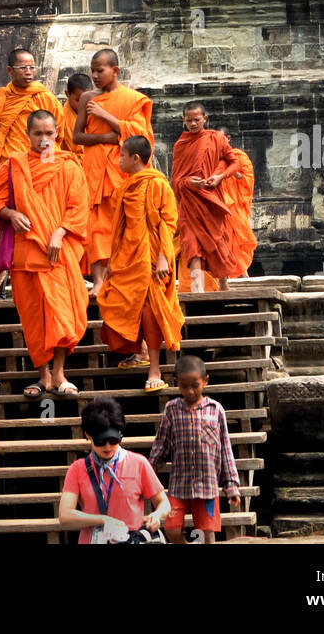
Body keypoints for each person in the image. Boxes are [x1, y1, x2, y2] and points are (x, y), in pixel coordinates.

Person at [0, 110, 88, 397]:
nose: (43, 140)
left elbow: (78, 209)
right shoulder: (13, 166)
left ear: (57, 134)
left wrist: (60, 232)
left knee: (61, 315)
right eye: (37, 134)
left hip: (58, 253)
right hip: (26, 255)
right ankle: (44, 376)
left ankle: (60, 373)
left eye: (49, 134)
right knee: (33, 317)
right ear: (27, 135)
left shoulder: (69, 166)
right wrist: (11, 213)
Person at [0, 48, 63, 296]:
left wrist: (47, 168)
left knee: (27, 220)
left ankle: (3, 272)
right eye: (23, 68)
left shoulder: (45, 98)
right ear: (10, 70)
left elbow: (55, 135)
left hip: (30, 171)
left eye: (32, 67)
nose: (29, 72)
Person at [98, 135, 184, 391]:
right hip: (128, 257)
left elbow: (167, 224)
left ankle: (155, 368)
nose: (119, 160)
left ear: (136, 158)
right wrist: (113, 260)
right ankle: (138, 350)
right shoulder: (125, 187)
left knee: (149, 308)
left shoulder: (157, 184)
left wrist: (161, 259)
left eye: (122, 155)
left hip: (152, 258)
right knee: (115, 300)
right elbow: (120, 229)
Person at [73, 48, 154, 296]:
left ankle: (123, 276)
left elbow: (142, 137)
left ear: (115, 70)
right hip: (95, 169)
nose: (95, 75)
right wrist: (105, 137)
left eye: (100, 70)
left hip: (122, 168)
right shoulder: (87, 98)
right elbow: (77, 136)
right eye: (93, 71)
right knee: (95, 225)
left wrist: (105, 115)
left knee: (126, 223)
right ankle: (98, 280)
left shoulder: (132, 99)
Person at [149, 354, 241, 545]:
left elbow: (225, 449)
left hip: (207, 485)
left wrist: (231, 485)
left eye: (195, 385)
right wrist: (148, 473)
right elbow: (161, 445)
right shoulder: (171, 409)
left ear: (205, 381)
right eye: (183, 386)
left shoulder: (216, 409)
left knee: (207, 532)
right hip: (178, 485)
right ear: (176, 383)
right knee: (172, 529)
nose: (189, 391)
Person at [59, 395, 170, 543]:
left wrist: (157, 515)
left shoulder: (138, 463)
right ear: (88, 435)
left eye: (113, 440)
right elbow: (65, 515)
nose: (107, 446)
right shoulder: (77, 468)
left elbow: (164, 502)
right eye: (100, 441)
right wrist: (103, 520)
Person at [171, 103, 239, 293]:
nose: (193, 123)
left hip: (210, 200)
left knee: (218, 242)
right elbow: (175, 179)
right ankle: (197, 288)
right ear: (183, 120)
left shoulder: (216, 138)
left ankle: (223, 284)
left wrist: (220, 177)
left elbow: (234, 164)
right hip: (189, 203)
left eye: (196, 120)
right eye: (189, 120)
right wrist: (189, 183)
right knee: (191, 245)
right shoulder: (180, 145)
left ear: (205, 119)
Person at [217, 123, 257, 279]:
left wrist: (235, 173)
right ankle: (224, 278)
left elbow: (248, 180)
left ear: (228, 138)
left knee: (239, 239)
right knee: (223, 241)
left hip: (235, 206)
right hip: (221, 205)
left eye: (221, 139)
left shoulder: (239, 157)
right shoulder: (213, 158)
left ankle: (243, 274)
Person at [60, 73, 92, 164]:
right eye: (78, 100)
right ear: (67, 94)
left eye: (87, 99)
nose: (83, 104)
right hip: (73, 165)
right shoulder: (61, 118)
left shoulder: (95, 110)